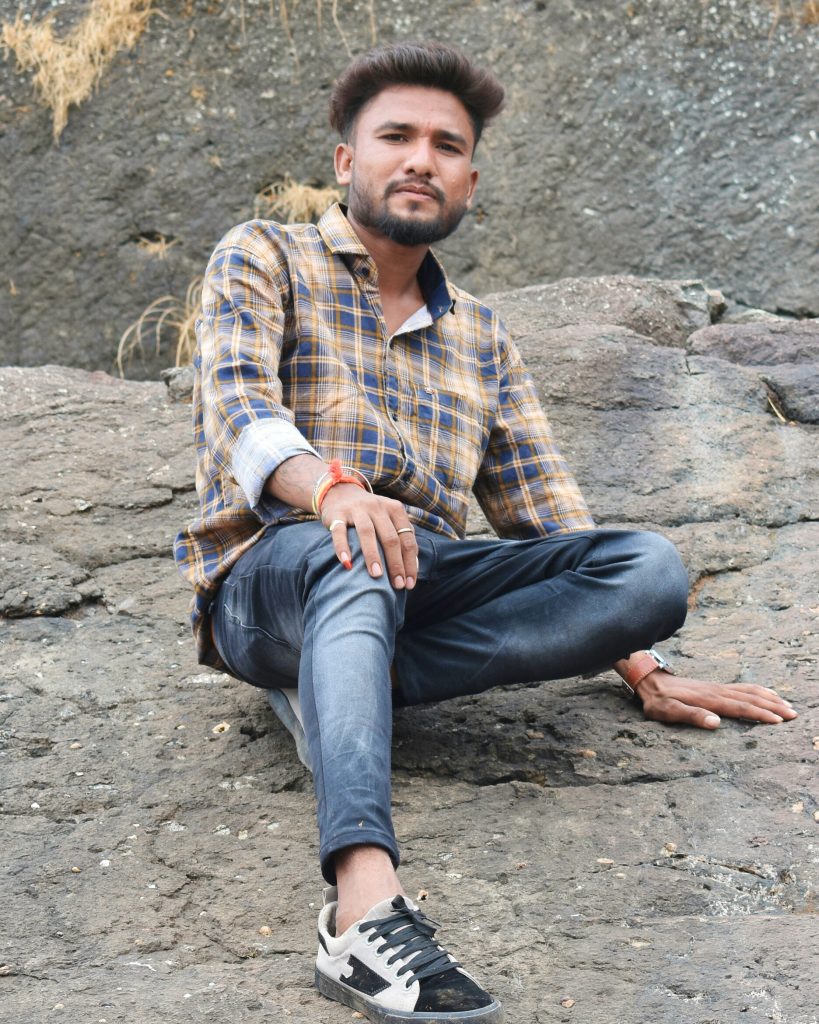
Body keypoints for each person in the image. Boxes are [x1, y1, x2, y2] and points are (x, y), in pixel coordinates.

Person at [174, 42, 797, 1024]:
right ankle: (362, 908)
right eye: (397, 137)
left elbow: (544, 508)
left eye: (446, 145)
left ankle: (345, 687)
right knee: (355, 554)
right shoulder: (265, 255)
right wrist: (333, 487)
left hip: (426, 579)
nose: (421, 158)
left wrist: (643, 668)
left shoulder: (481, 335)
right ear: (346, 161)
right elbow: (240, 412)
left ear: (469, 177)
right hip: (277, 571)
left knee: (647, 570)